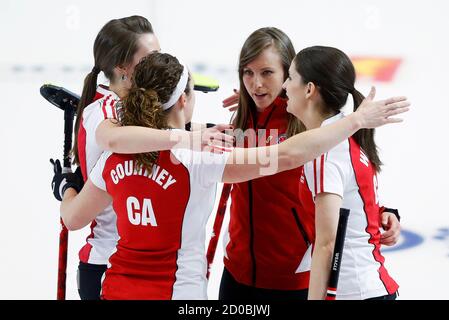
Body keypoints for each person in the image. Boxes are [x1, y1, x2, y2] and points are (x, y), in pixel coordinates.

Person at [54, 52, 408, 299]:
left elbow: (72, 218)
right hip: (180, 292)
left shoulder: (116, 156)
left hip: (116, 290)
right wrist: (356, 120)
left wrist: (69, 185)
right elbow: (289, 154)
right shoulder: (201, 159)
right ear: (183, 101)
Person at [219, 27, 402, 300]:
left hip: (296, 278)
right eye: (248, 72)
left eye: (267, 73)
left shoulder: (305, 122)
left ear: (287, 75)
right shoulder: (240, 119)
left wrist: (382, 211)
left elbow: (341, 175)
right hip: (238, 273)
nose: (256, 84)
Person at [63, 15, 233, 300]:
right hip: (110, 262)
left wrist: (207, 130)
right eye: (151, 56)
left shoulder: (134, 111)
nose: (161, 60)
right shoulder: (105, 110)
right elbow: (114, 139)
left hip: (146, 267)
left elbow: (157, 130)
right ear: (124, 69)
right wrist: (188, 137)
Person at [283, 45, 401, 300]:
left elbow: (327, 244)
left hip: (353, 291)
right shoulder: (344, 137)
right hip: (370, 287)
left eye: (290, 77)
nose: (284, 85)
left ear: (309, 89)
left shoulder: (326, 150)